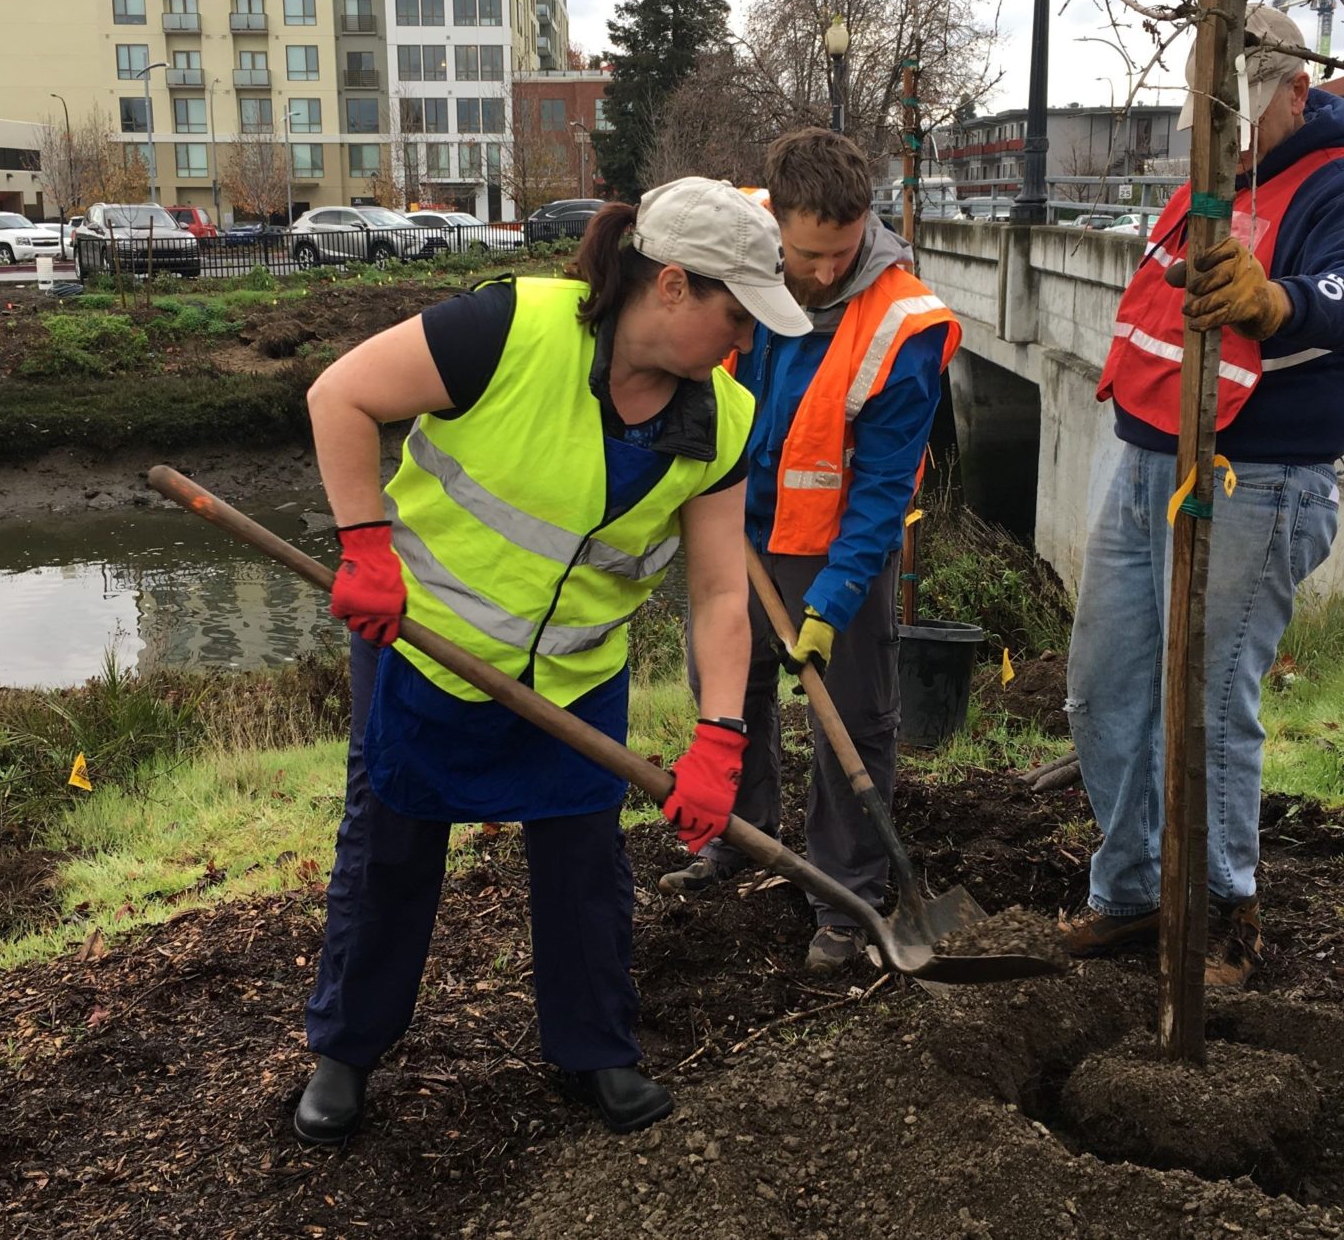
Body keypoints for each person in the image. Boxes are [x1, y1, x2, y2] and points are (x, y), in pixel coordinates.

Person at [295, 177, 806, 1148]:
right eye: (732, 315)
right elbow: (341, 395)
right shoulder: (508, 329)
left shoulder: (723, 422)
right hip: (425, 650)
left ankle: (594, 1051)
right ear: (668, 286)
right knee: (390, 853)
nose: (742, 344)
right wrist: (364, 544)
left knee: (583, 866)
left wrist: (719, 736)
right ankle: (346, 1053)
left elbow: (719, 593)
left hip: (573, 675)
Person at [1062, 4, 1344, 987]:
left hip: (1259, 476)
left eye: (1242, 114)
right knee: (1105, 690)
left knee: (1206, 705)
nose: (1225, 136)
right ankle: (1130, 893)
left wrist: (1275, 300)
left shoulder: (1340, 186)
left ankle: (1220, 914)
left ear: (1296, 92)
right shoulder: (1209, 184)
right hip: (1145, 457)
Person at [657, 127, 961, 976]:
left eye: (844, 250)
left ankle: (845, 892)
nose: (827, 271)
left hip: (835, 550)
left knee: (853, 721)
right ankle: (742, 844)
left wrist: (832, 600)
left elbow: (885, 488)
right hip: (732, 525)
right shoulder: (732, 254)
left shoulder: (903, 325)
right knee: (726, 688)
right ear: (776, 222)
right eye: (808, 253)